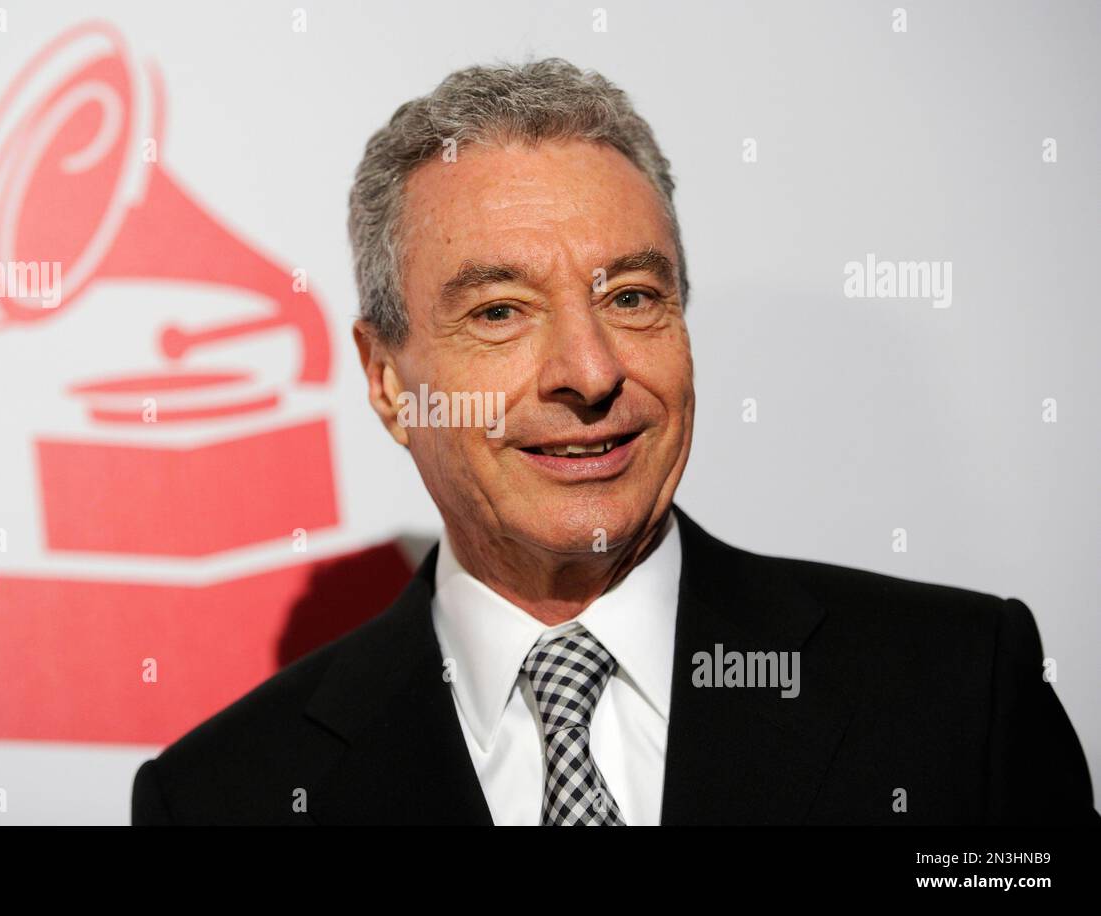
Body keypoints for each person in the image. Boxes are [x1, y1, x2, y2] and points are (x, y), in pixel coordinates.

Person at [132, 59, 1097, 825]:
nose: (590, 373)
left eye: (631, 297)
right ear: (388, 380)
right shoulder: (222, 796)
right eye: (502, 311)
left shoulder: (959, 695)